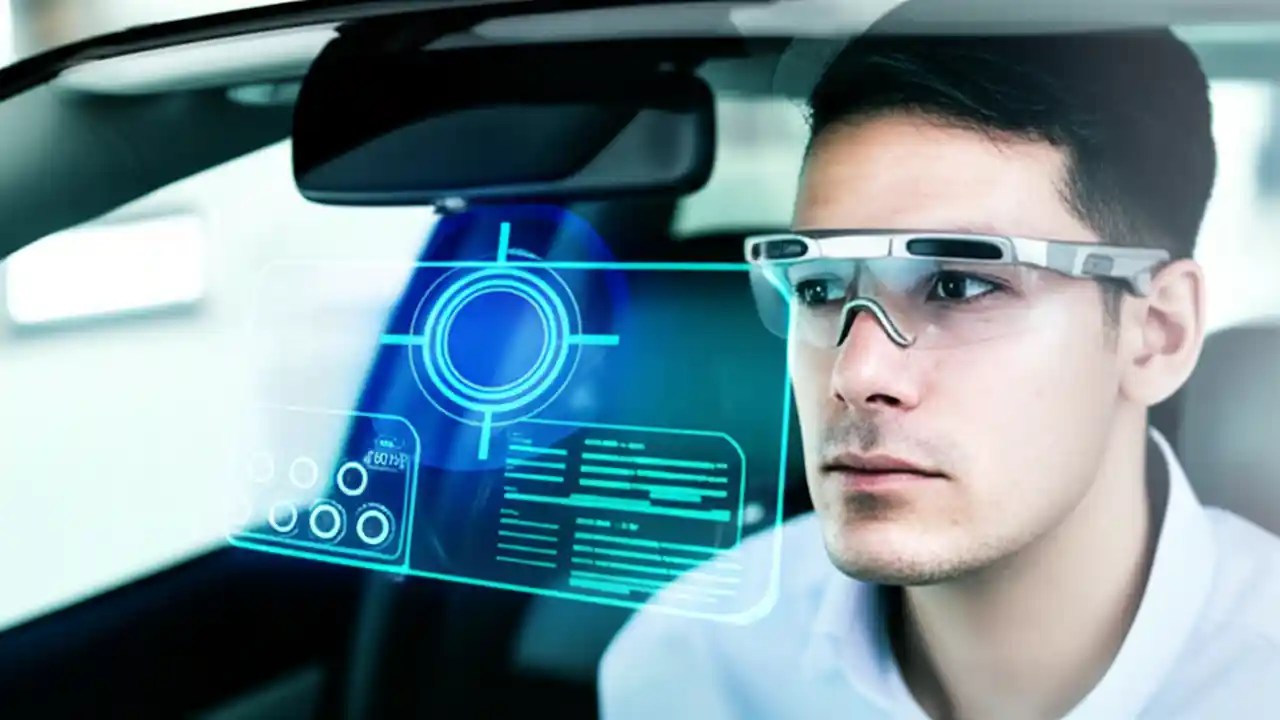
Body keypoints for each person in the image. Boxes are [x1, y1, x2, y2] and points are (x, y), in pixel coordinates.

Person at [598, 4, 1280, 719]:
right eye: (819, 288)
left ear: (1159, 333)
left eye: (959, 285)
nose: (856, 375)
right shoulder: (693, 668)